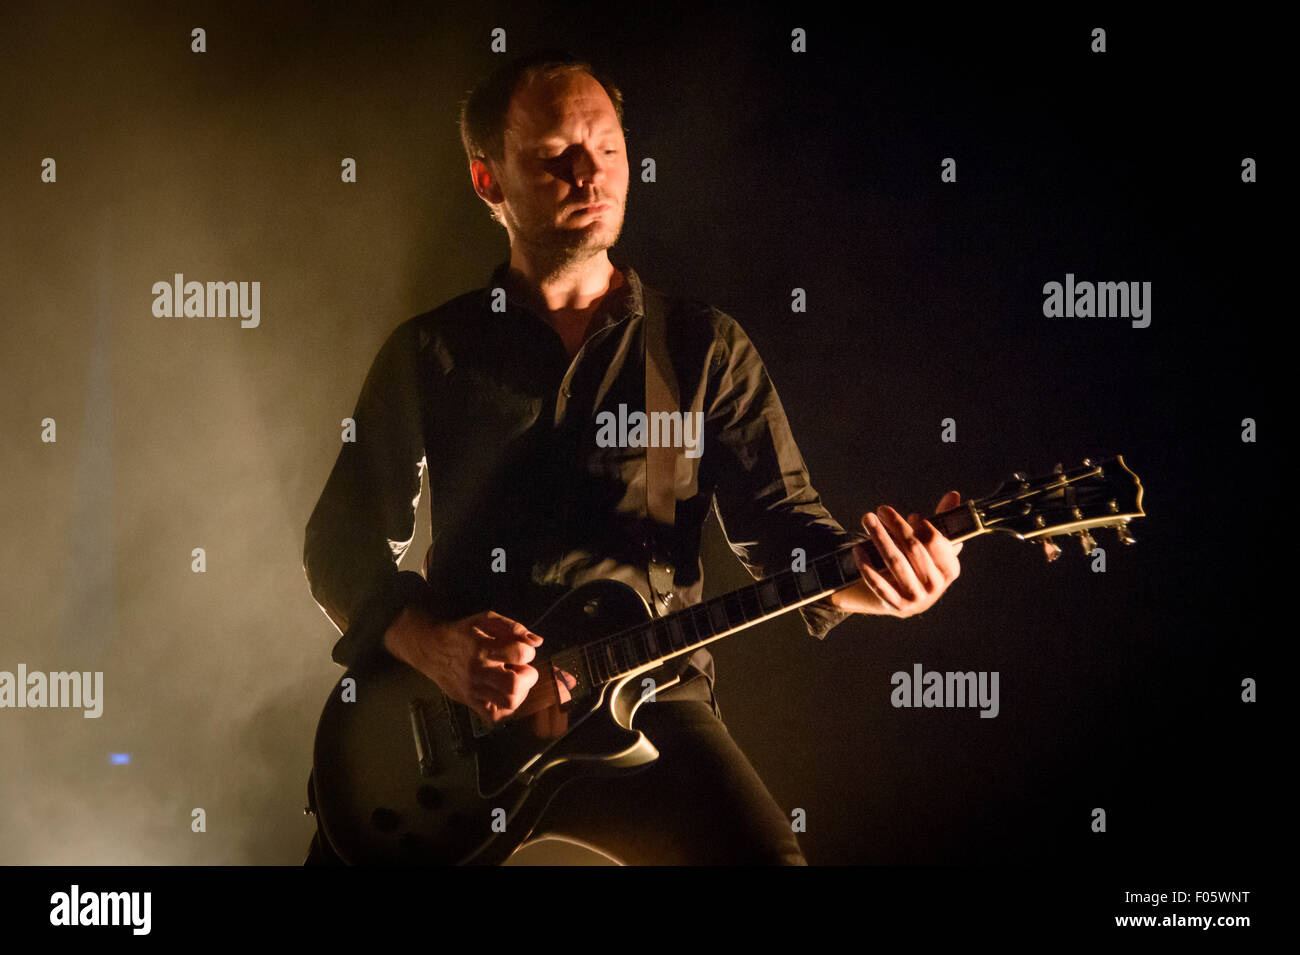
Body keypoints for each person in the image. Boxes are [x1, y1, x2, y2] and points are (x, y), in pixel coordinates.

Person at [301, 50, 962, 865]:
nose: (590, 173)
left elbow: (788, 532)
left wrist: (886, 584)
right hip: (454, 721)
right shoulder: (431, 352)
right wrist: (433, 647)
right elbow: (337, 540)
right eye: (554, 156)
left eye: (608, 149)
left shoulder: (703, 349)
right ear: (488, 183)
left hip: (647, 696)